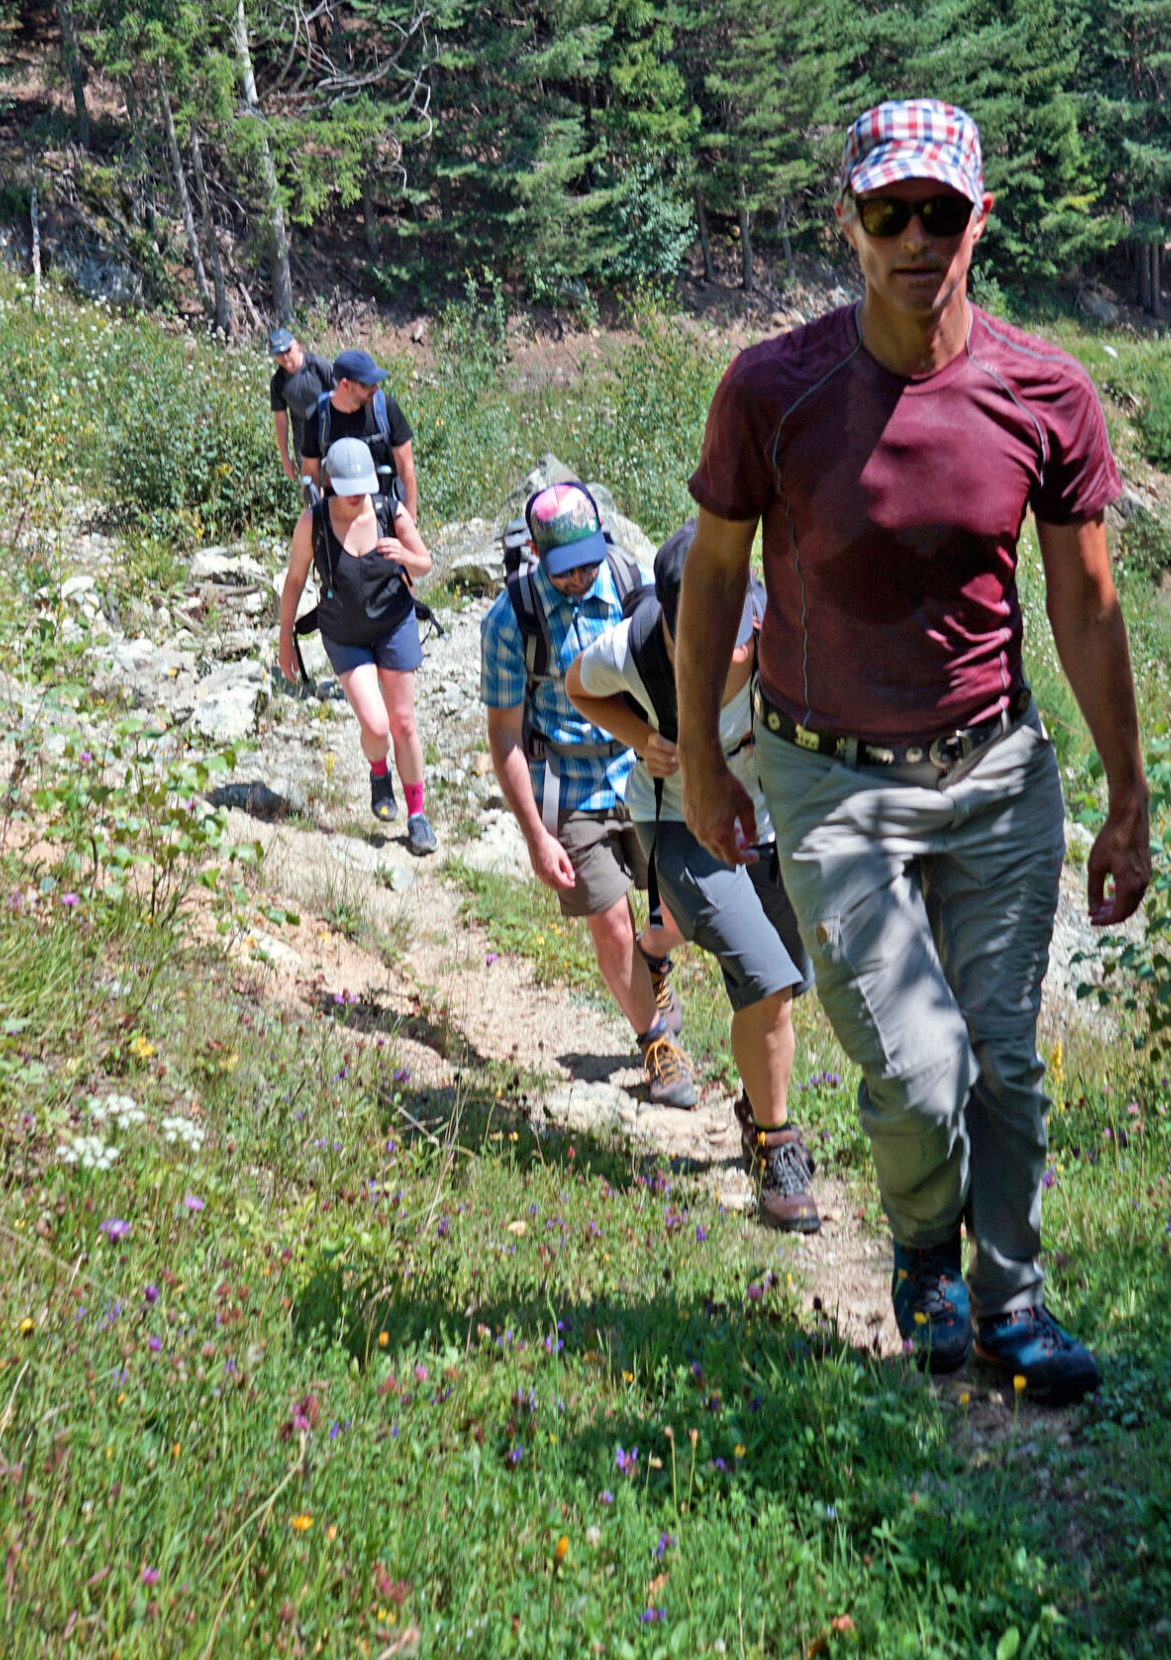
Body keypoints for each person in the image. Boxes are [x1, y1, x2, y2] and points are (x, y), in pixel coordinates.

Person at [677, 98, 1151, 1402]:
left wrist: (1126, 793)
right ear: (850, 221)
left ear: (979, 221)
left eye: (942, 211)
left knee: (1002, 1055)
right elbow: (715, 575)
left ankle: (1010, 1305)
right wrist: (705, 765)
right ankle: (922, 1252)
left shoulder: (1043, 392)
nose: (916, 237)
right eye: (890, 211)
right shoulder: (773, 388)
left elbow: (1087, 604)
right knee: (917, 1060)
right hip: (829, 775)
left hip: (995, 770)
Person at [569, 522, 821, 1231]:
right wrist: (637, 737)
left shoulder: (785, 632)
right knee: (765, 979)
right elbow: (577, 685)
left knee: (787, 984)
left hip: (771, 825)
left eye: (737, 628)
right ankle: (777, 1147)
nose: (731, 648)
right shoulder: (637, 648)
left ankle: (751, 1104)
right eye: (708, 632)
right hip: (679, 824)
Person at [481, 480, 701, 1111]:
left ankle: (653, 964)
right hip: (569, 786)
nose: (577, 579)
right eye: (562, 570)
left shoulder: (635, 587)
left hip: (644, 767)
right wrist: (535, 835)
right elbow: (504, 737)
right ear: (536, 555)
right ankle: (657, 1043)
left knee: (681, 907)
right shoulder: (510, 621)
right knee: (610, 923)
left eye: (585, 563)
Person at [277, 435, 439, 855]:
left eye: (362, 488)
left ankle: (417, 815)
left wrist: (403, 554)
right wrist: (284, 641)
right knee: (377, 725)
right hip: (344, 635)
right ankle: (378, 772)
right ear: (330, 483)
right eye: (346, 490)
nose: (355, 498)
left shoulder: (390, 511)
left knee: (403, 723)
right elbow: (295, 581)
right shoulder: (312, 522)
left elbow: (425, 564)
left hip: (394, 624)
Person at [301, 348, 417, 517]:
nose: (375, 388)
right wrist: (317, 522)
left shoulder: (385, 408)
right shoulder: (317, 417)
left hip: (384, 512)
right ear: (345, 384)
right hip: (338, 517)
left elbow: (406, 467)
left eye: (376, 382)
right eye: (367, 384)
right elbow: (311, 474)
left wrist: (410, 519)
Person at [268, 327, 334, 485]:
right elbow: (281, 420)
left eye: (287, 350)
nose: (284, 357)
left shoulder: (318, 365)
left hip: (332, 437)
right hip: (304, 444)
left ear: (296, 345)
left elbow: (341, 395)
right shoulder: (278, 382)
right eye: (278, 354)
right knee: (311, 492)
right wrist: (285, 458)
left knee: (338, 491)